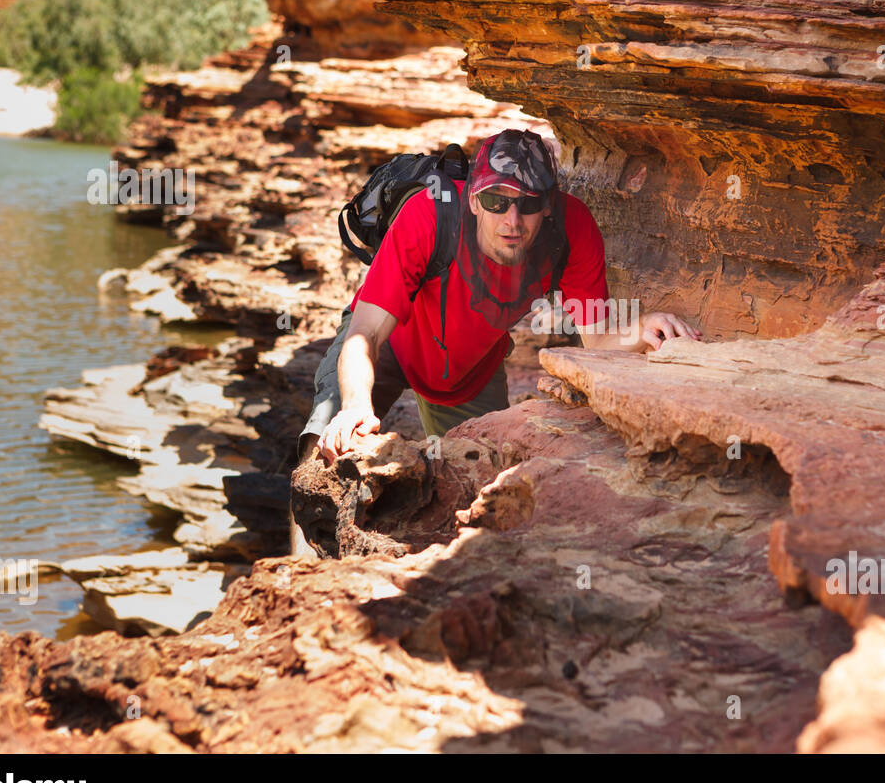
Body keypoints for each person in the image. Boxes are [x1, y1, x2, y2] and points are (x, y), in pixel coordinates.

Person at [291, 129, 701, 557]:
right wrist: (357, 405)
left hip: (469, 371)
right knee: (324, 451)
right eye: (496, 201)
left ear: (547, 207)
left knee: (481, 494)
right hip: (390, 343)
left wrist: (641, 330)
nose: (512, 219)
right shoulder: (429, 215)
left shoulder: (571, 229)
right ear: (473, 199)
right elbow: (366, 334)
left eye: (528, 204)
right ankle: (302, 571)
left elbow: (596, 338)